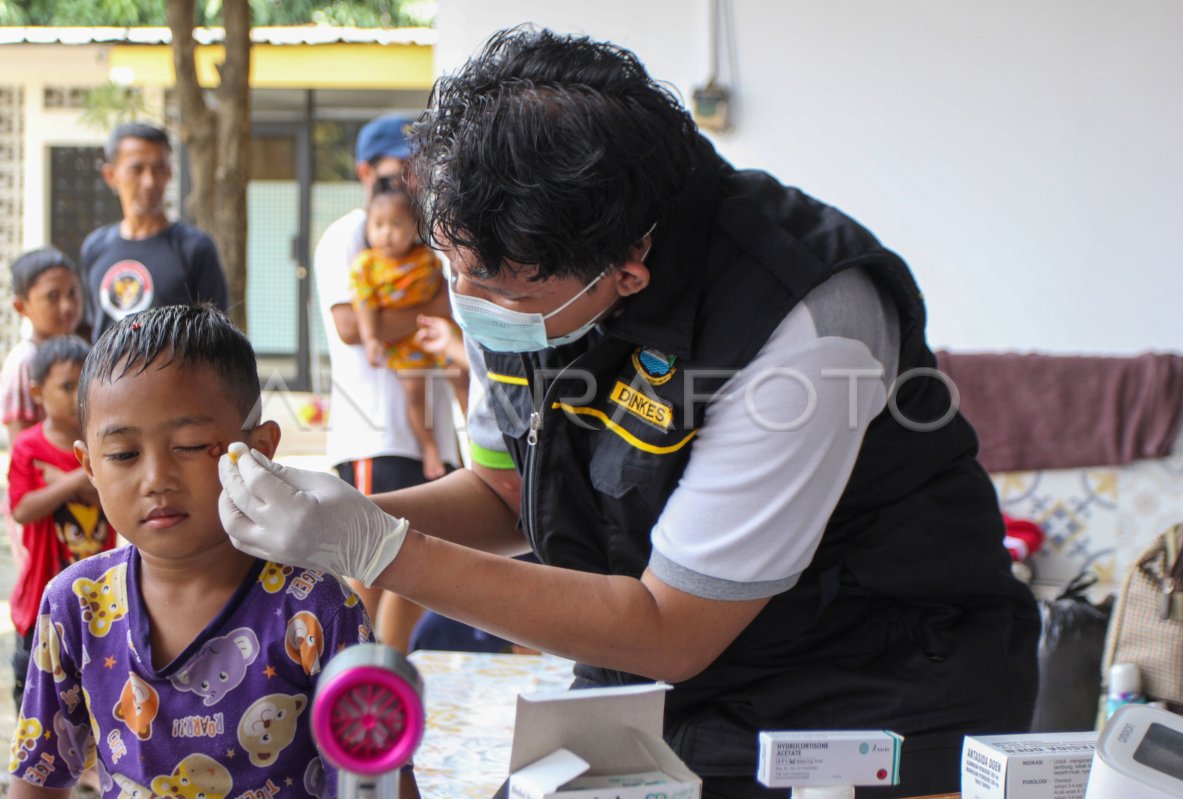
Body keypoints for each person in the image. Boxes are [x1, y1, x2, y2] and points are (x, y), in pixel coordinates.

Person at [219, 28, 1040, 798]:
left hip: (866, 694)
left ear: (628, 269)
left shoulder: (805, 321)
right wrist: (325, 520)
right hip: (654, 671)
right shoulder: (519, 254)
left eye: (500, 289)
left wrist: (380, 547)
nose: (463, 302)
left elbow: (671, 627)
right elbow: (506, 494)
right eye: (452, 265)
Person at [7, 305, 375, 799]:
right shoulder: (75, 605)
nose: (156, 478)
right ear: (89, 466)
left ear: (259, 448)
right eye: (123, 455)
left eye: (190, 444)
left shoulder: (316, 609)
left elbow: (379, 783)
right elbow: (38, 781)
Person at [312, 113, 460, 653]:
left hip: (434, 437)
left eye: (418, 170)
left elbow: (455, 316)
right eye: (397, 171)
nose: (409, 182)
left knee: (427, 569)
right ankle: (344, 689)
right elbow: (353, 326)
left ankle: (386, 681)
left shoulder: (427, 231)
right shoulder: (352, 231)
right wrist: (432, 314)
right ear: (364, 172)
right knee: (369, 572)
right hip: (377, 433)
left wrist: (436, 315)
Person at [7, 336, 115, 710]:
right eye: (67, 386)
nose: (77, 395)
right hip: (40, 599)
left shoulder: (105, 441)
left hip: (95, 600)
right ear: (37, 392)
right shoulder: (28, 448)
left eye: (83, 383)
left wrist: (60, 481)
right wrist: (77, 481)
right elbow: (21, 509)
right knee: (35, 696)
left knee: (90, 694)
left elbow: (119, 499)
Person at [80, 121, 227, 342]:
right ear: (110, 175)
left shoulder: (194, 248)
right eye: (136, 169)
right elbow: (90, 327)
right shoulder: (95, 248)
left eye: (159, 169)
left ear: (169, 173)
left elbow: (217, 337)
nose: (149, 181)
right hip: (105, 377)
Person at [350, 177, 448, 481]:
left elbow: (446, 297)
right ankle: (429, 446)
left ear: (414, 226)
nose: (386, 233)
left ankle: (476, 433)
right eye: (378, 225)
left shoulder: (426, 259)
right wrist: (371, 339)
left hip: (438, 334)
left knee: (464, 376)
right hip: (405, 346)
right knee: (414, 391)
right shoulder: (366, 265)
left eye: (396, 224)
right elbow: (365, 305)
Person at [2, 248, 85, 572]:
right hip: (40, 508)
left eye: (73, 293)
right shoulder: (24, 362)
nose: (67, 306)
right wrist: (69, 480)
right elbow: (25, 456)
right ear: (22, 306)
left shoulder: (76, 354)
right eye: (53, 297)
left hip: (75, 501)